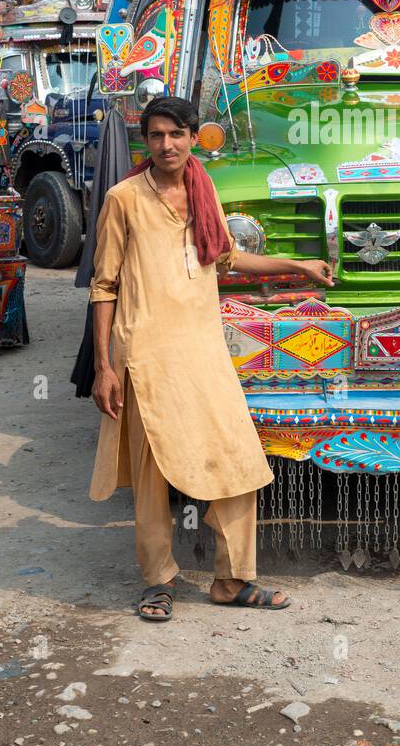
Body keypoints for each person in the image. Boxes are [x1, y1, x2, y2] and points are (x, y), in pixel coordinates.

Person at [89, 95, 333, 620]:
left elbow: (226, 257)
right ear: (145, 141)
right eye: (156, 135)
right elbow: (103, 285)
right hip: (146, 355)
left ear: (193, 138)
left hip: (202, 351)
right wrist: (104, 367)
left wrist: (298, 265)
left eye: (176, 134)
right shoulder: (123, 198)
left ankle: (233, 580)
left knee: (238, 460)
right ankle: (160, 580)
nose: (166, 144)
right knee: (153, 481)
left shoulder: (203, 190)